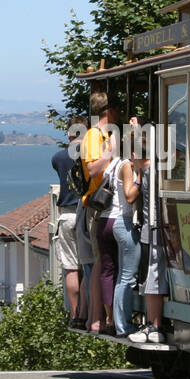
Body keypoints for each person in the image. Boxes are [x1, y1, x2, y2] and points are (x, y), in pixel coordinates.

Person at [81, 95, 119, 333]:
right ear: (110, 111)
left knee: (101, 263)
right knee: (100, 264)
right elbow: (93, 169)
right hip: (98, 206)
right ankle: (95, 318)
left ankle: (97, 317)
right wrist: (112, 151)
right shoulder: (94, 135)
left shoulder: (100, 135)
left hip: (104, 207)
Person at [129, 123, 168, 344]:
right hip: (152, 229)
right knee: (150, 278)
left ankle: (154, 325)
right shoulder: (149, 170)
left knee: (152, 279)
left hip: (154, 229)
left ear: (135, 154)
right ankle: (151, 324)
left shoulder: (149, 172)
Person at [111, 123, 145, 337]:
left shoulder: (122, 163)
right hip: (124, 223)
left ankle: (121, 322)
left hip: (121, 223)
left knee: (124, 276)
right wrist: (140, 177)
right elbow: (130, 195)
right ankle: (123, 325)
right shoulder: (127, 166)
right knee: (127, 277)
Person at [52, 116, 86, 327]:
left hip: (66, 215)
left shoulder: (58, 157)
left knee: (71, 268)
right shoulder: (93, 153)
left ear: (68, 133)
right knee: (89, 267)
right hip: (88, 212)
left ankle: (75, 315)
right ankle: (89, 312)